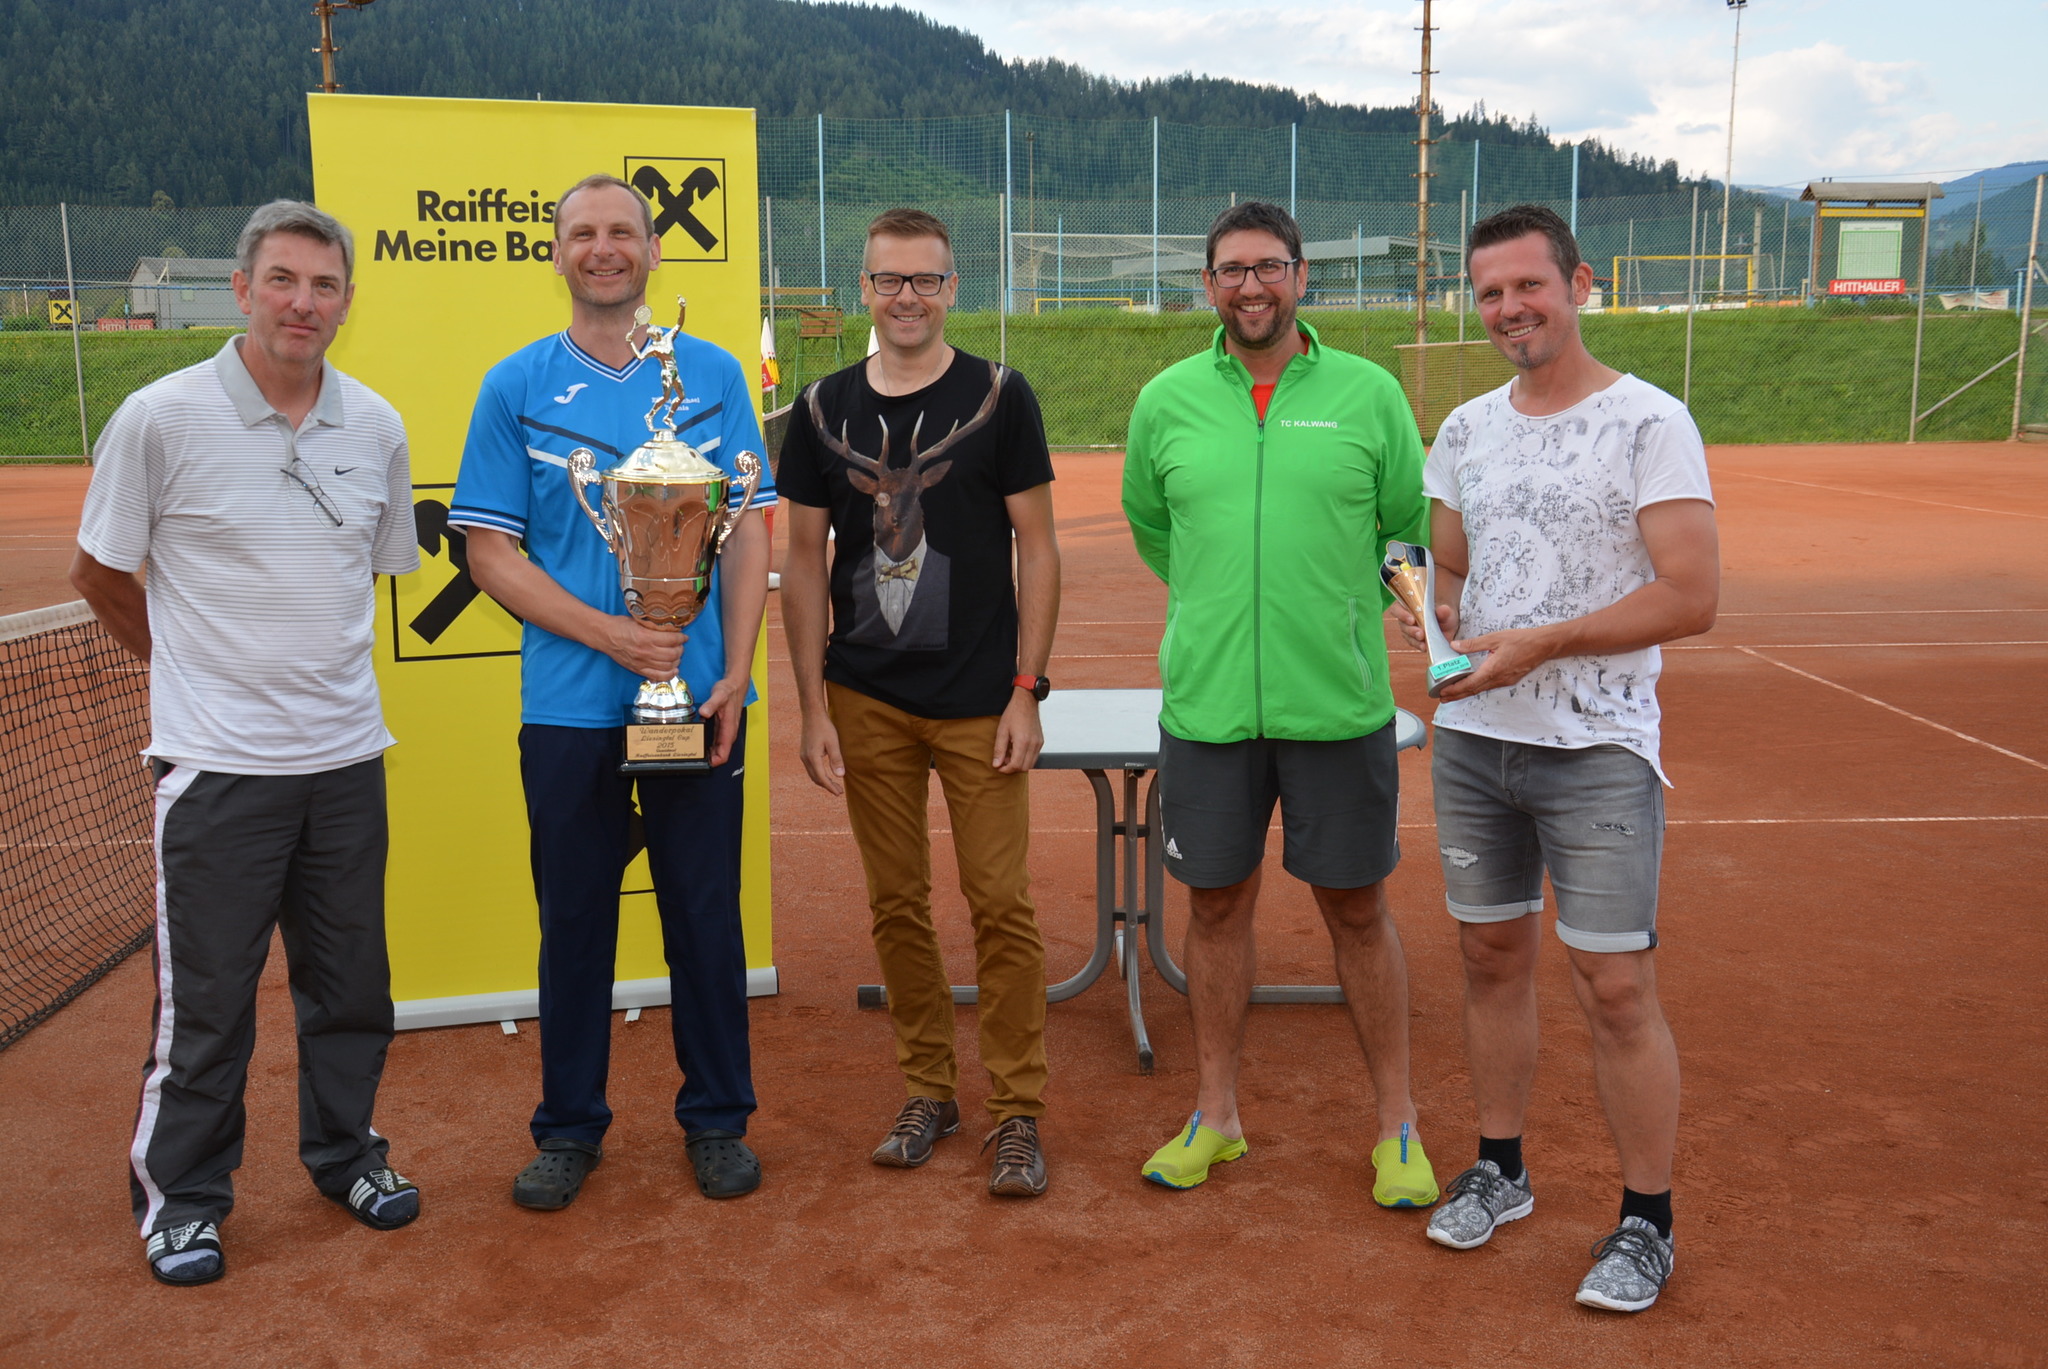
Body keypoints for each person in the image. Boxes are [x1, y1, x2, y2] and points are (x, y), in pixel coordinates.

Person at [70, 200, 423, 1286]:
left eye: (323, 286)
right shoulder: (158, 418)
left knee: (350, 986)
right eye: (282, 280)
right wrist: (186, 671)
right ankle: (182, 1197)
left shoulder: (375, 426)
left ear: (347, 303)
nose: (302, 303)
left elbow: (365, 570)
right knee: (209, 1004)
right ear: (241, 288)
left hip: (347, 762)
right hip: (217, 775)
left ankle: (346, 1154)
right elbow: (97, 575)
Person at [1395, 204, 1718, 1313]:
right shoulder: (1467, 428)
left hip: (1595, 747)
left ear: (1578, 283)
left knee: (1614, 985)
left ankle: (1643, 1220)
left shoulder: (1648, 421)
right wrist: (1429, 613)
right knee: (1488, 961)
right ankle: (1500, 1167)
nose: (1507, 310)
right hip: (1477, 742)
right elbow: (1443, 563)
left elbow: (1690, 594)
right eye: (1487, 294)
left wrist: (1546, 640)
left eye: (1527, 287)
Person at [450, 173, 773, 1208]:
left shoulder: (713, 374)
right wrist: (614, 637)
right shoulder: (516, 385)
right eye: (583, 233)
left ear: (651, 250)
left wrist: (732, 671)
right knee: (576, 919)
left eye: (622, 232)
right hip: (566, 710)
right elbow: (488, 550)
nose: (603, 248)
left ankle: (717, 1119)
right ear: (556, 253)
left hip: (700, 702)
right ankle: (569, 1128)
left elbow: (751, 523)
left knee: (702, 917)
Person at [1121, 201, 1438, 1207]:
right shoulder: (1165, 400)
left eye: (1266, 267)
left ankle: (1396, 1125)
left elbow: (1401, 528)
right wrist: (1221, 609)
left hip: (1336, 706)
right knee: (1213, 908)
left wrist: (1381, 603)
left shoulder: (1368, 394)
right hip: (1208, 709)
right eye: (1227, 270)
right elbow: (1152, 527)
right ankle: (1215, 1117)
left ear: (1301, 276)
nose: (1247, 286)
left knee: (1356, 907)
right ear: (1206, 284)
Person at [778, 207, 1061, 1197]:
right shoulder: (818, 408)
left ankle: (1016, 1111)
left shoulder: (998, 394)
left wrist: (1027, 690)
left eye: (925, 280)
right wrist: (811, 707)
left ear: (952, 287)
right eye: (888, 280)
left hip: (982, 702)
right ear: (862, 288)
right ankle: (928, 1090)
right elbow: (802, 565)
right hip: (864, 700)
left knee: (1000, 905)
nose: (907, 297)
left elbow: (1040, 545)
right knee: (896, 905)